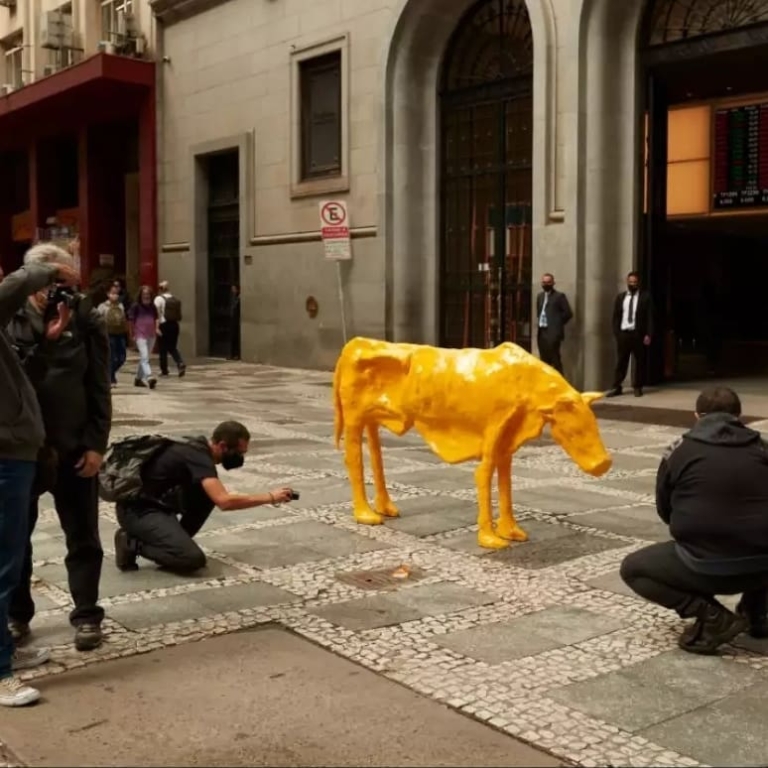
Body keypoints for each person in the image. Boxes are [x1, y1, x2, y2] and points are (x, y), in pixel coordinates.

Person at [7, 243, 112, 654]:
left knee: (83, 536)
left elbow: (99, 385)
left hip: (74, 447)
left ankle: (87, 615)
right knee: (16, 538)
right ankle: (18, 615)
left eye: (65, 281)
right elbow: (14, 381)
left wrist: (96, 444)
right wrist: (46, 343)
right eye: (51, 281)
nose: (56, 291)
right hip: (24, 450)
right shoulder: (10, 317)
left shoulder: (85, 317)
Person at [620, 387, 768, 656]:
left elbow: (665, 508)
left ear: (697, 416)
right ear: (739, 416)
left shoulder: (679, 451)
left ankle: (713, 617)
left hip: (702, 567)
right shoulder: (763, 449)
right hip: (761, 567)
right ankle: (759, 613)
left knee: (633, 569)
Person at [0, 255, 80, 706]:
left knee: (9, 562)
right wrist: (52, 268)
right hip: (4, 456)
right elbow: (14, 287)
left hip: (14, 452)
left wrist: (46, 342)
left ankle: (5, 651)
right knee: (1, 566)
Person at [113, 421, 295, 573]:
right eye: (239, 452)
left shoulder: (197, 448)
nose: (240, 457)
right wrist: (270, 497)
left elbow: (217, 494)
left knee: (206, 495)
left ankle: (176, 544)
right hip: (138, 512)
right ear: (222, 445)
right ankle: (130, 542)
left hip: (158, 505)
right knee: (191, 560)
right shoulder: (198, 456)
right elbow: (224, 502)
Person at [606, 271, 653, 398]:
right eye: (630, 282)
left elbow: (649, 317)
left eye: (635, 282)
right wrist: (617, 332)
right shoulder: (621, 297)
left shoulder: (645, 297)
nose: (632, 284)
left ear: (638, 283)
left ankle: (637, 387)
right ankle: (616, 387)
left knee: (639, 362)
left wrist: (648, 334)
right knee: (621, 361)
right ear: (627, 282)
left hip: (638, 334)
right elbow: (616, 316)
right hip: (624, 334)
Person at [535, 273, 573, 376]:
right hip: (542, 332)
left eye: (548, 282)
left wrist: (557, 323)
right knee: (544, 361)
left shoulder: (559, 296)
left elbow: (568, 313)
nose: (546, 284)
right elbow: (539, 312)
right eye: (544, 282)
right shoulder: (540, 296)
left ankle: (560, 380)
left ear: (553, 283)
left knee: (555, 359)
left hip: (553, 333)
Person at [128, 285, 160, 389]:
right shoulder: (135, 306)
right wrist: (131, 334)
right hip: (140, 334)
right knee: (145, 357)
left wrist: (157, 328)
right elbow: (130, 321)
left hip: (151, 334)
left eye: (148, 294)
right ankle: (149, 377)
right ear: (140, 295)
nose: (146, 296)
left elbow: (156, 318)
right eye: (144, 294)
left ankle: (138, 379)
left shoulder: (152, 306)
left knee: (144, 357)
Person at [98, 284, 129, 387]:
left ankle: (109, 373)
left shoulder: (121, 306)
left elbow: (124, 319)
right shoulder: (102, 306)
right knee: (112, 357)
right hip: (108, 334)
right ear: (108, 294)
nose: (115, 295)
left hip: (120, 334)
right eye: (113, 293)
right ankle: (111, 378)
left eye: (116, 293)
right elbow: (97, 321)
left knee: (122, 357)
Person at [154, 280, 186, 378]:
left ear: (160, 289)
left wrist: (156, 327)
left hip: (164, 325)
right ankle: (180, 362)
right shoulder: (174, 298)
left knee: (162, 348)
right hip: (175, 325)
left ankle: (164, 370)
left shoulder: (158, 299)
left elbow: (156, 314)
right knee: (172, 347)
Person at [229, 284, 241, 361]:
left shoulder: (239, 298)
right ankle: (232, 354)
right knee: (232, 337)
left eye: (233, 289)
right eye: (232, 289)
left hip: (237, 320)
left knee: (236, 338)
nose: (232, 291)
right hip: (233, 319)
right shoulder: (233, 298)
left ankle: (237, 355)